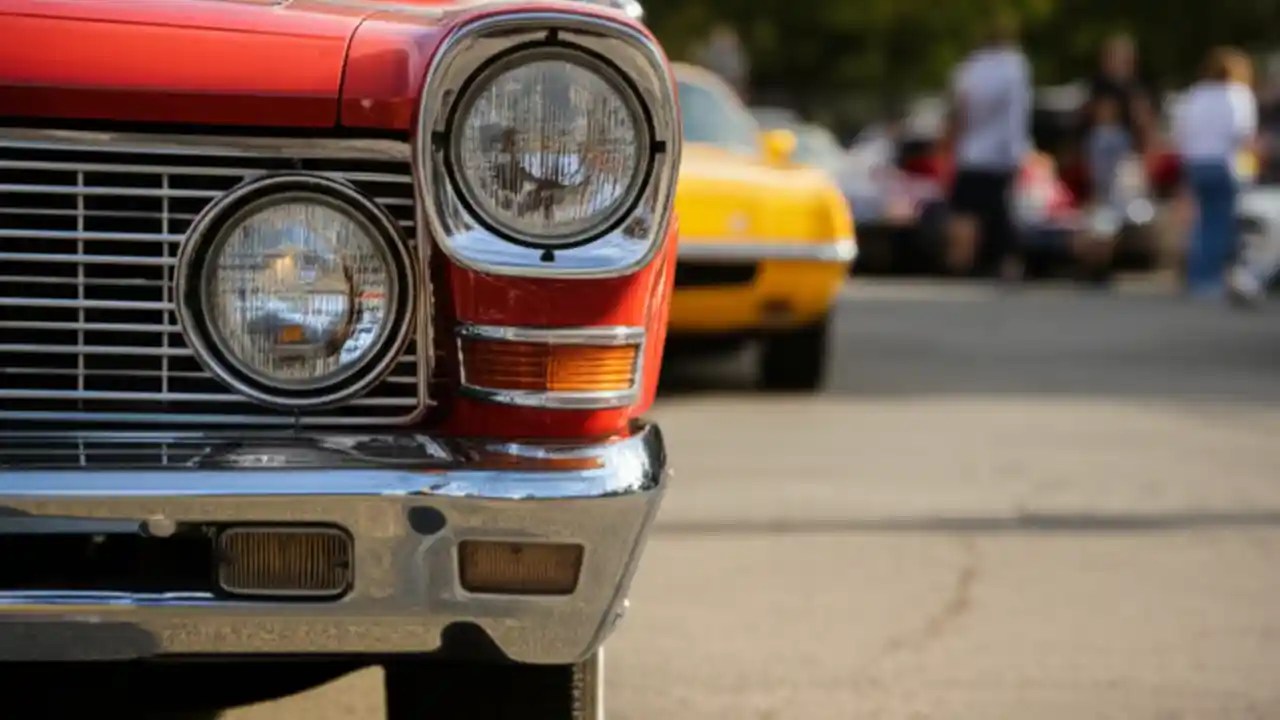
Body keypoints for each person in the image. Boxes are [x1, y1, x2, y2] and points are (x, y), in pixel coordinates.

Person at [944, 13, 1033, 279]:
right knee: (1001, 211)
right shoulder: (1015, 67)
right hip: (1001, 154)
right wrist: (1018, 152)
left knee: (966, 211)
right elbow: (1018, 114)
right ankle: (1007, 261)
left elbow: (958, 113)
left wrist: (950, 145)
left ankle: (961, 262)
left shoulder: (968, 69)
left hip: (971, 153)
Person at [1173, 47, 1258, 299]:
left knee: (1202, 222)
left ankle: (1197, 275)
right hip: (1223, 162)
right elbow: (1244, 133)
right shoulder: (1238, 94)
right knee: (1220, 221)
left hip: (1196, 163)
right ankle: (1210, 280)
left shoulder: (1195, 94)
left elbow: (1181, 132)